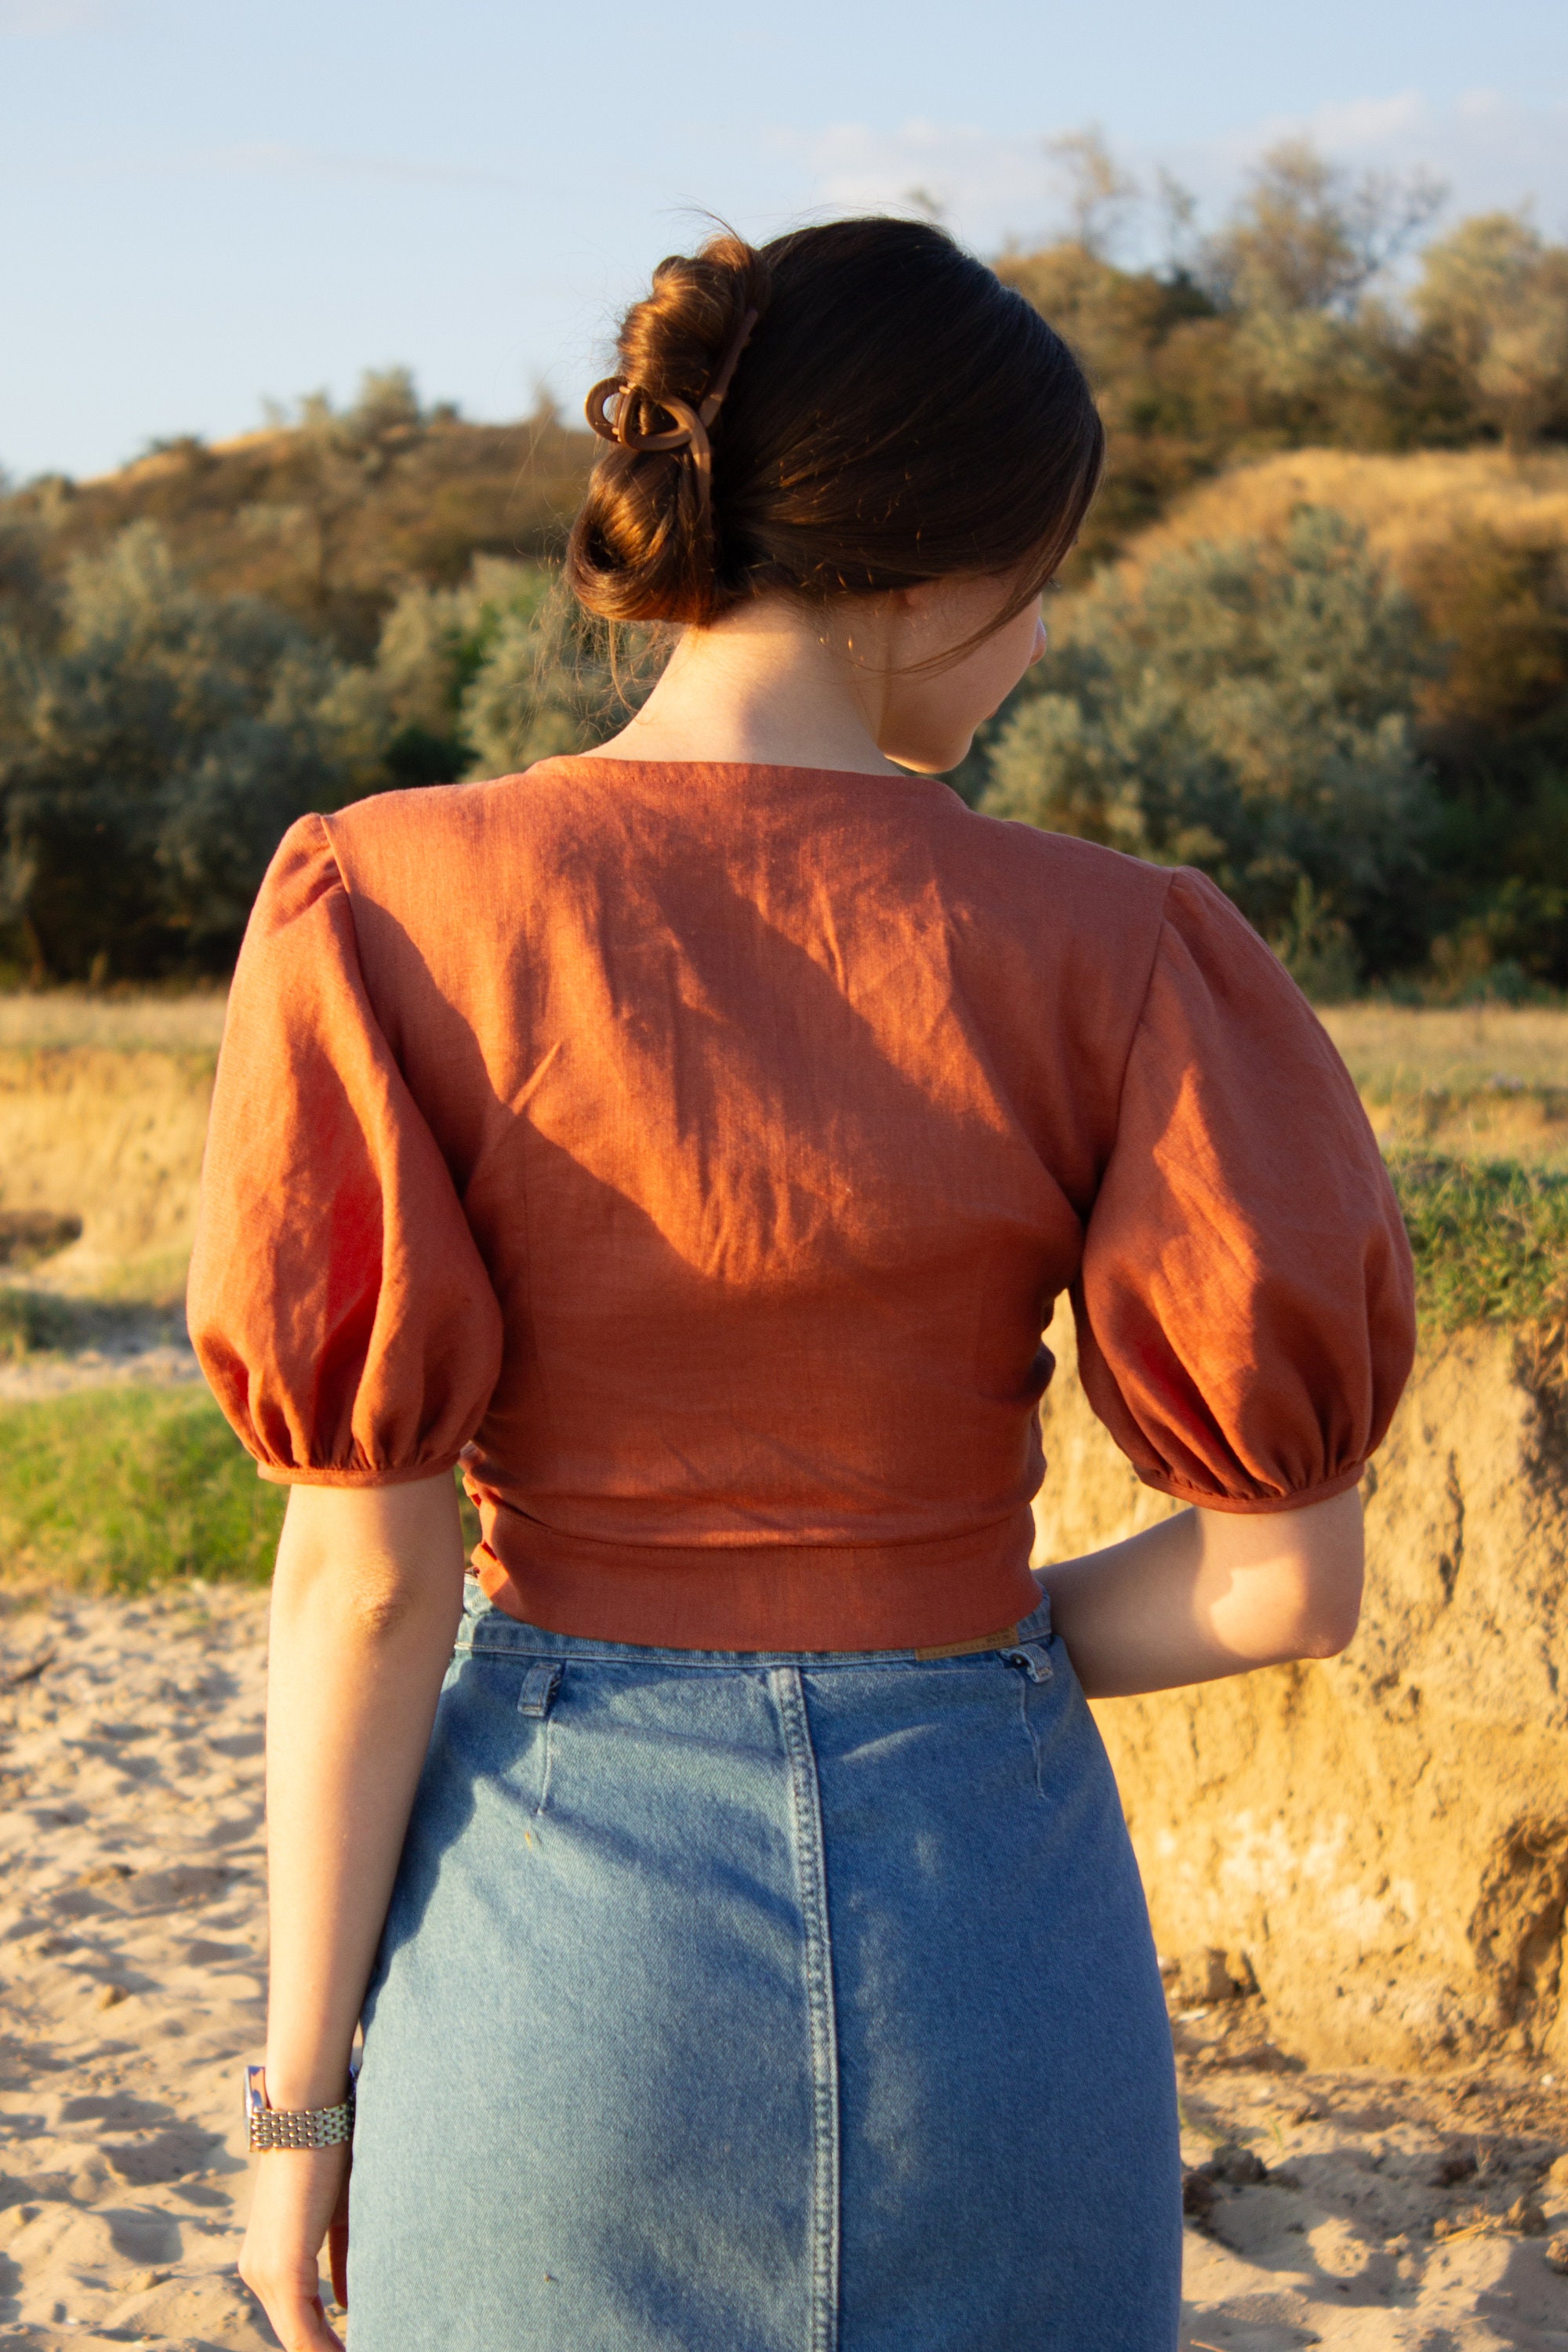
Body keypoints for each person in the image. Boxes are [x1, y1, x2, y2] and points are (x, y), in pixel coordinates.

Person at [189, 219, 1414, 2352]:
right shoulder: (1131, 949)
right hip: (996, 1943)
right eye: (1038, 588)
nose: (1033, 645)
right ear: (927, 572)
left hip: (562, 1940)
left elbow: (367, 1590)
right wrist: (948, 1643)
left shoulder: (386, 903)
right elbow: (1279, 1590)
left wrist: (300, 2114)